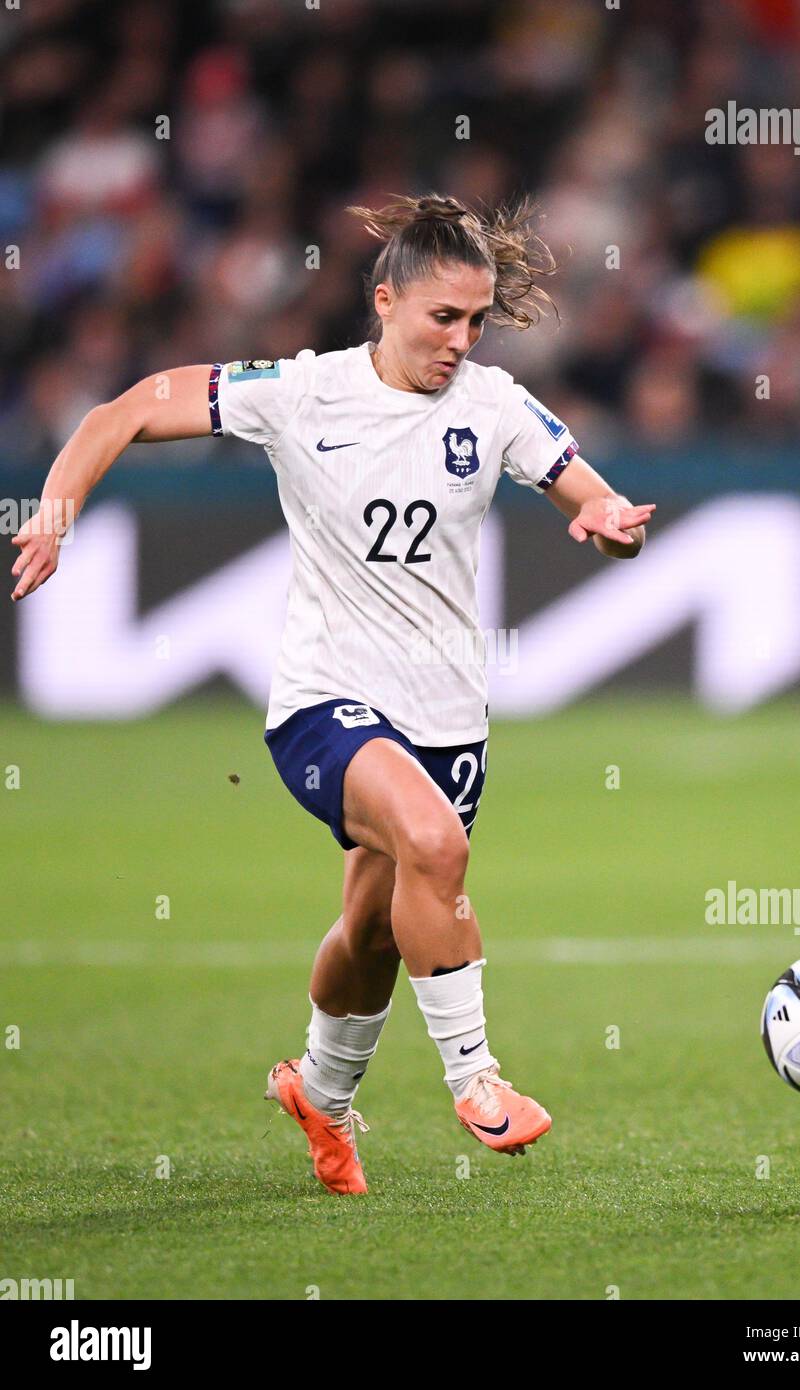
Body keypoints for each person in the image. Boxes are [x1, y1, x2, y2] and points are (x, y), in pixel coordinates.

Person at [11, 192, 655, 1195]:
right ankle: (476, 1079)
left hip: (447, 714)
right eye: (443, 317)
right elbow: (127, 409)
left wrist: (613, 525)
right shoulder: (304, 392)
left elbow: (600, 501)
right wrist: (53, 514)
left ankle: (319, 1088)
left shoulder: (493, 407)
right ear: (385, 299)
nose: (461, 339)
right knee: (437, 848)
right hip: (326, 701)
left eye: (477, 320)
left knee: (376, 931)